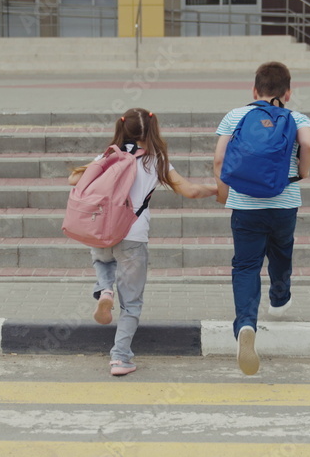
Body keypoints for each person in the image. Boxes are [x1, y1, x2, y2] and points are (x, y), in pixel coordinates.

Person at [69, 108, 217, 376]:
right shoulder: (155, 160)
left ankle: (105, 290)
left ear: (122, 128)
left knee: (102, 260)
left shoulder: (108, 155)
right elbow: (191, 191)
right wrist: (217, 189)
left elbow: (75, 179)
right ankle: (120, 358)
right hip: (133, 235)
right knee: (132, 303)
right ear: (152, 131)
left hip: (102, 230)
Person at [212, 62, 310, 376]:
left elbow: (219, 159)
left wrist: (225, 193)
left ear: (254, 90)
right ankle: (279, 298)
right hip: (284, 203)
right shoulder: (296, 118)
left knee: (246, 265)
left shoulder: (236, 116)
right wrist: (304, 171)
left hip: (245, 205)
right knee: (281, 251)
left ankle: (246, 325)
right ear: (288, 92)